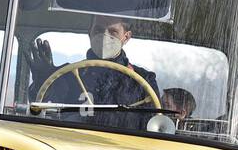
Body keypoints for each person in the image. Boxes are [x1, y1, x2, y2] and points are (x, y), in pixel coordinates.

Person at [26, 14, 160, 128]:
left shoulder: (143, 80)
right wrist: (41, 82)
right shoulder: (67, 75)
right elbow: (42, 108)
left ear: (126, 37)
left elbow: (153, 125)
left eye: (113, 32)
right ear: (89, 32)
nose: (104, 36)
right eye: (99, 30)